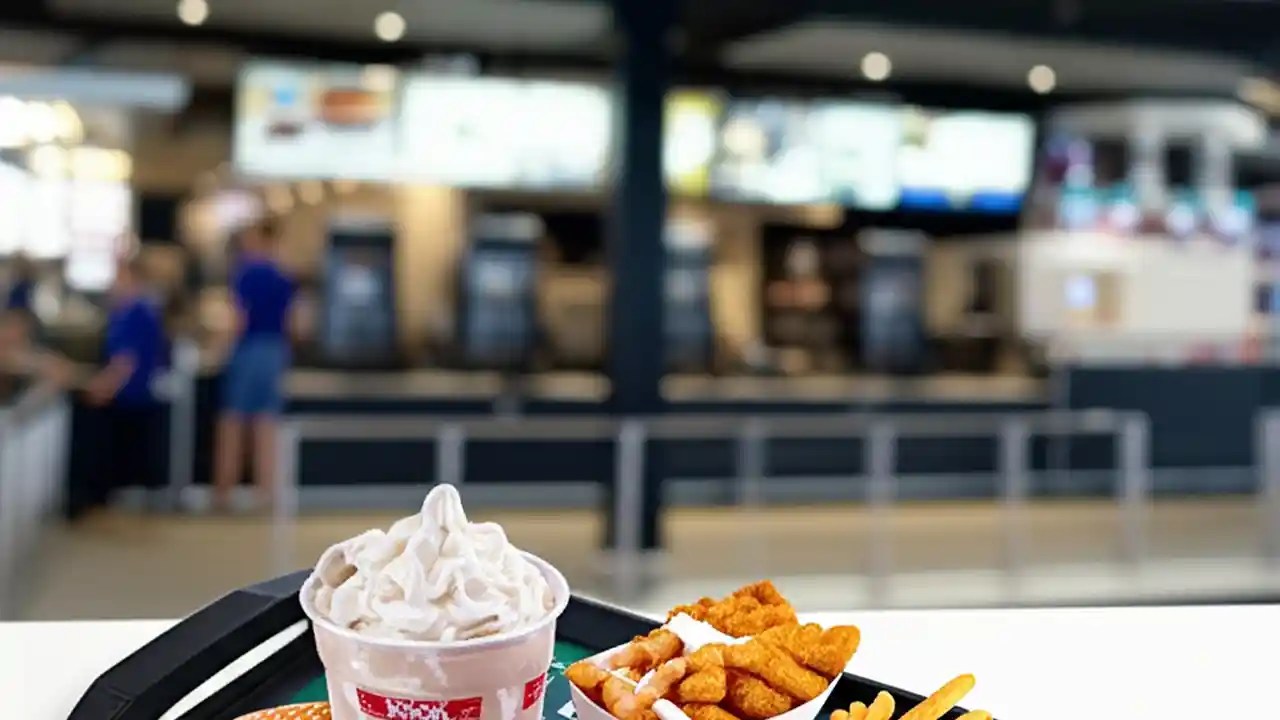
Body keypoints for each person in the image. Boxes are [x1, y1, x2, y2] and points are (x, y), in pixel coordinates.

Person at [214, 219, 296, 512]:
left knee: (233, 421)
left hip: (249, 348)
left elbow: (237, 318)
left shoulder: (245, 273)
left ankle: (223, 491)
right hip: (275, 350)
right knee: (266, 423)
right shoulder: (284, 276)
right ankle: (266, 493)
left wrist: (221, 347)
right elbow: (294, 323)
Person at [85, 255, 167, 499]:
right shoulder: (121, 312)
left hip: (132, 398)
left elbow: (126, 361)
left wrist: (103, 388)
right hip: (124, 395)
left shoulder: (138, 312)